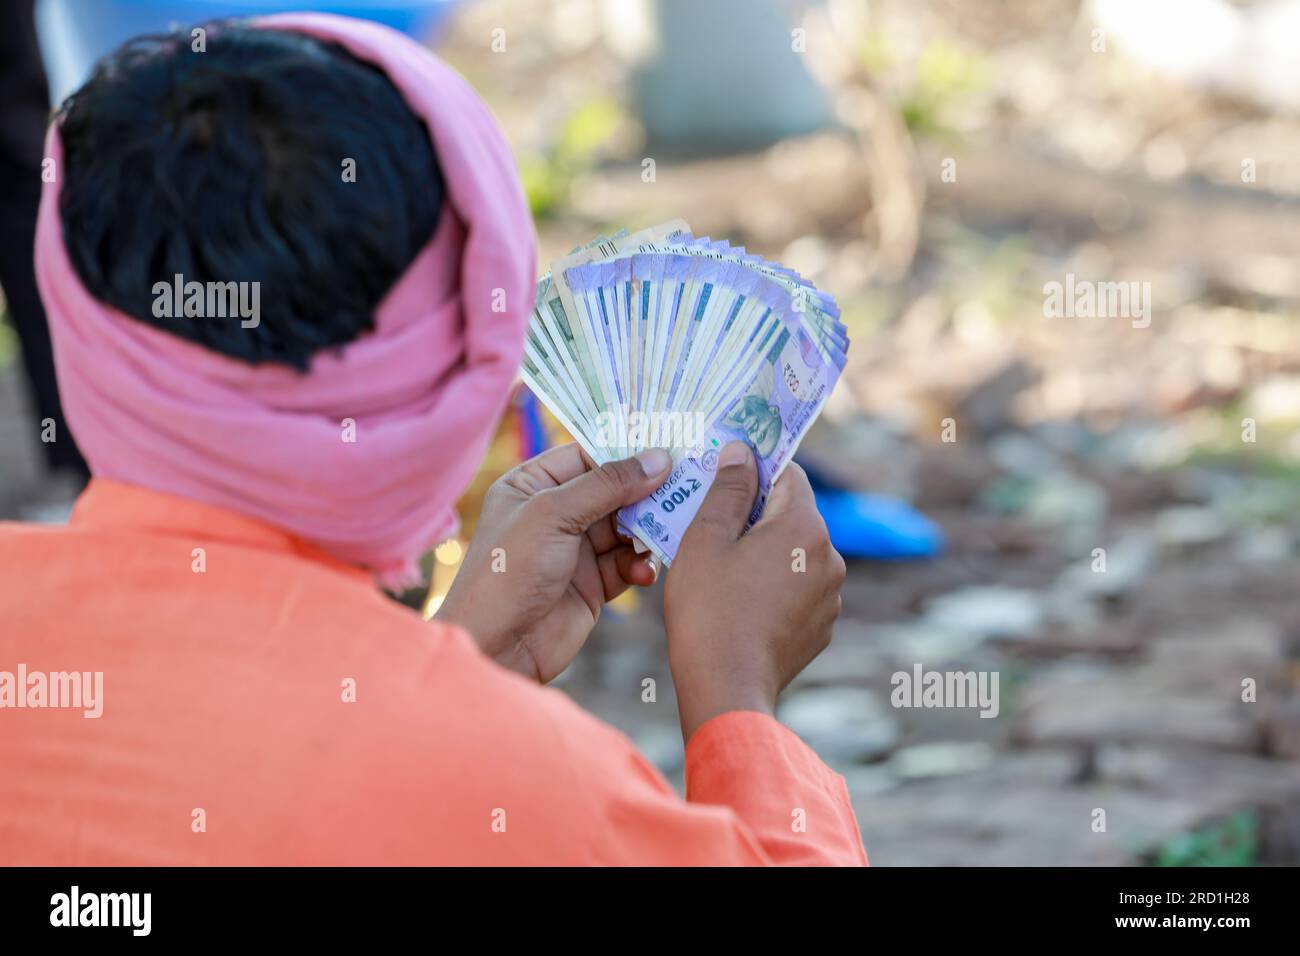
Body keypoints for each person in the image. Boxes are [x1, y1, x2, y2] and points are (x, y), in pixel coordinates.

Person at [0, 13, 864, 866]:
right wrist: (738, 700)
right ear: (468, 344)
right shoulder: (535, 796)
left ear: (68, 306)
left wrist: (458, 660)